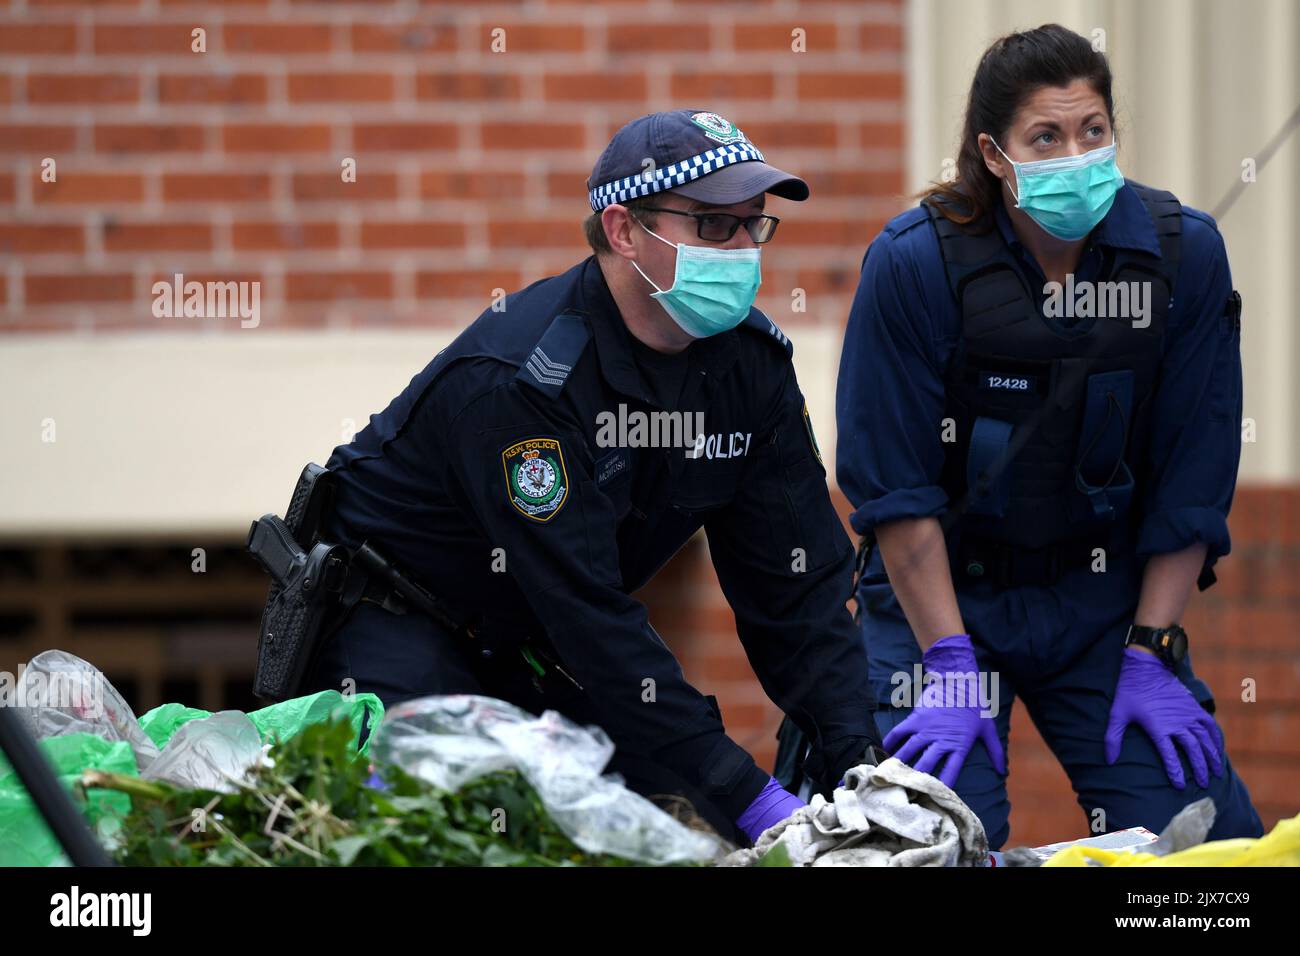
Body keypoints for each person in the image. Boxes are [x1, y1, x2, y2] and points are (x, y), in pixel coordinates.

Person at [298, 109, 884, 845]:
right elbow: (593, 619)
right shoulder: (526, 381)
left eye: (752, 225)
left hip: (538, 637)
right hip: (400, 619)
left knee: (669, 816)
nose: (741, 250)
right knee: (450, 831)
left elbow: (796, 589)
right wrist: (751, 796)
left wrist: (861, 758)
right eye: (712, 226)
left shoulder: (750, 370)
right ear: (623, 230)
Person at [835, 24, 1263, 850]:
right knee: (930, 842)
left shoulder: (1183, 256)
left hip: (1105, 607)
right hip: (942, 603)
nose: (1077, 154)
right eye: (1047, 136)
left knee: (1203, 841)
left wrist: (1151, 647)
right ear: (996, 155)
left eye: (1092, 130)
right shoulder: (914, 264)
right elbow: (894, 489)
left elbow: (1194, 475)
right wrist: (950, 665)